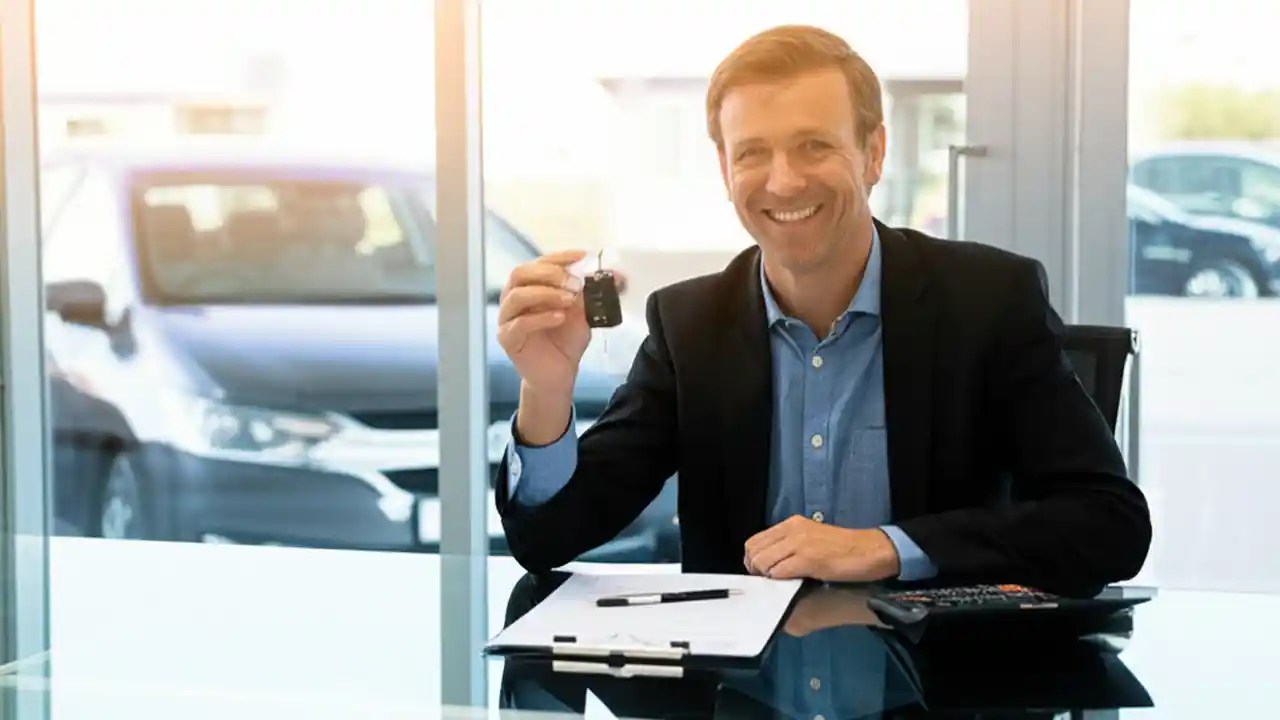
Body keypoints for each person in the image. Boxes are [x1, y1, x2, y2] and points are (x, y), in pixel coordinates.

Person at [494, 25, 1151, 595]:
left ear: (873, 153)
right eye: (753, 153)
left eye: (814, 145)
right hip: (748, 692)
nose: (783, 181)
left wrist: (889, 546)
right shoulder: (689, 326)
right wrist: (546, 392)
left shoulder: (988, 301)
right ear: (725, 170)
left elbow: (1108, 524)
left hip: (937, 688)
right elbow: (549, 541)